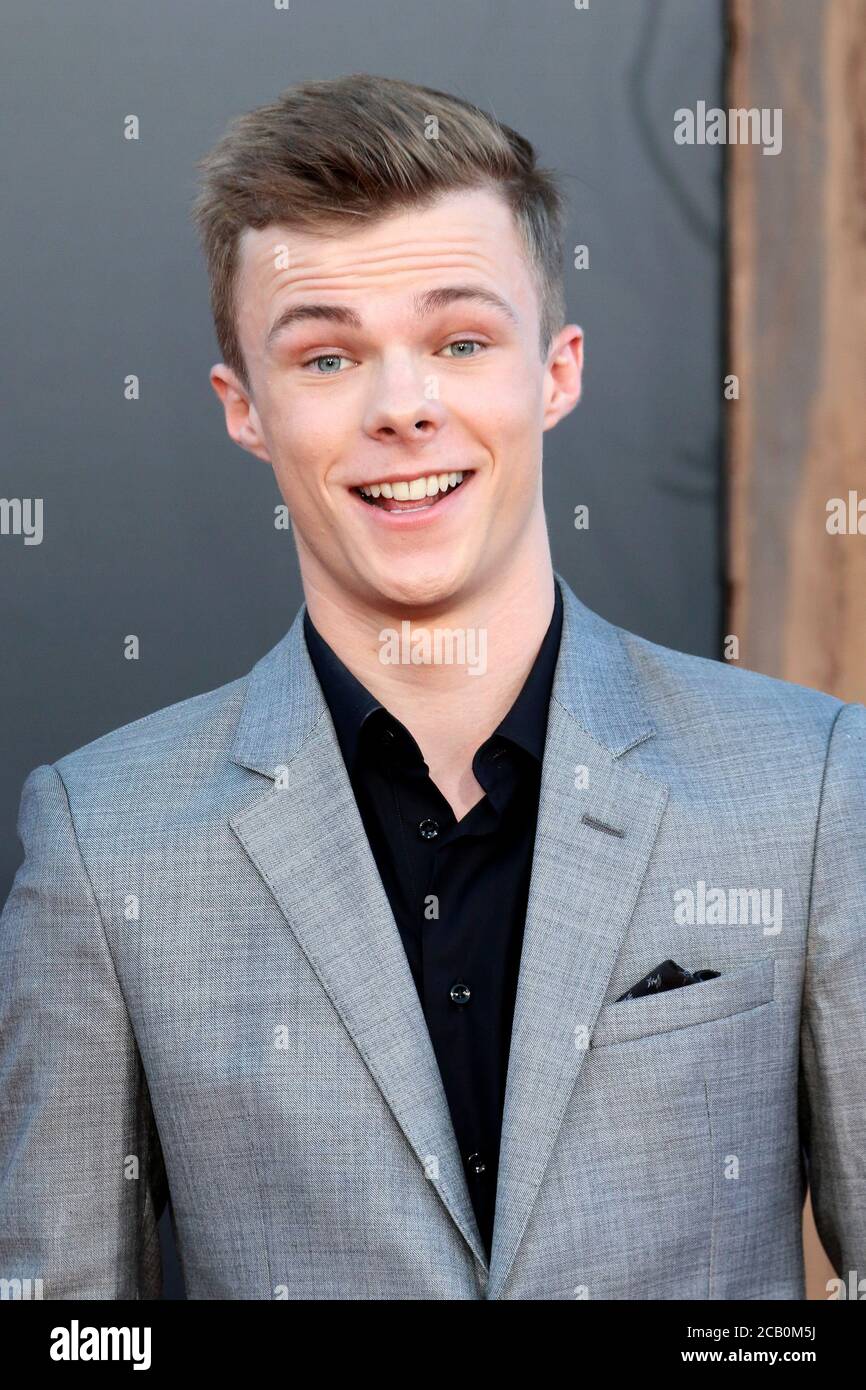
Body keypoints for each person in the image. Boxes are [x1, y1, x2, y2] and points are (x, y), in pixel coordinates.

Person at [1, 74, 863, 1301]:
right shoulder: (105, 844)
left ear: (554, 371)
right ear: (243, 408)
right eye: (327, 354)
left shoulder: (814, 785)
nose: (403, 407)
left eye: (460, 340)